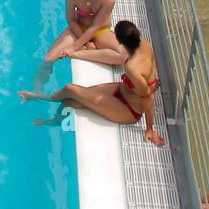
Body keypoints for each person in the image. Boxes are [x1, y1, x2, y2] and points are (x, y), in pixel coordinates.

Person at [18, 19, 165, 147]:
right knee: (69, 102)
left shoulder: (132, 67)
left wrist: (150, 129)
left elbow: (148, 97)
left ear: (120, 41)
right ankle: (55, 121)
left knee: (70, 89)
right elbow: (148, 76)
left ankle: (40, 96)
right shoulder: (144, 44)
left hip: (129, 110)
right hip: (122, 90)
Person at [32, 0, 125, 91]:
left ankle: (79, 54)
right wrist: (86, 44)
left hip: (100, 31)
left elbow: (95, 27)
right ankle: (36, 89)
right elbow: (71, 21)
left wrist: (74, 49)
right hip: (78, 28)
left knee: (123, 55)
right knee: (48, 58)